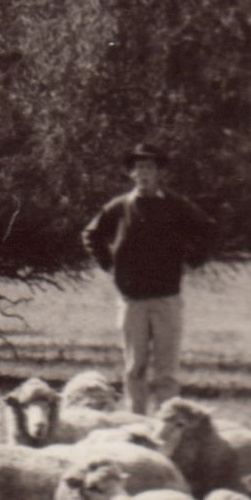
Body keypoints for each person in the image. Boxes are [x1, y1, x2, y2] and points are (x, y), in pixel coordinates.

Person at [81, 148, 220, 417]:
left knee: (166, 369)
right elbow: (91, 234)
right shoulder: (120, 207)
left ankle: (166, 420)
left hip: (167, 297)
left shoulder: (175, 204)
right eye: (139, 168)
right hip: (131, 298)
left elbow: (208, 230)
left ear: (160, 173)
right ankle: (136, 421)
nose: (144, 174)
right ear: (132, 173)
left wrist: (191, 262)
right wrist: (110, 265)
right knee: (135, 366)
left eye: (150, 168)